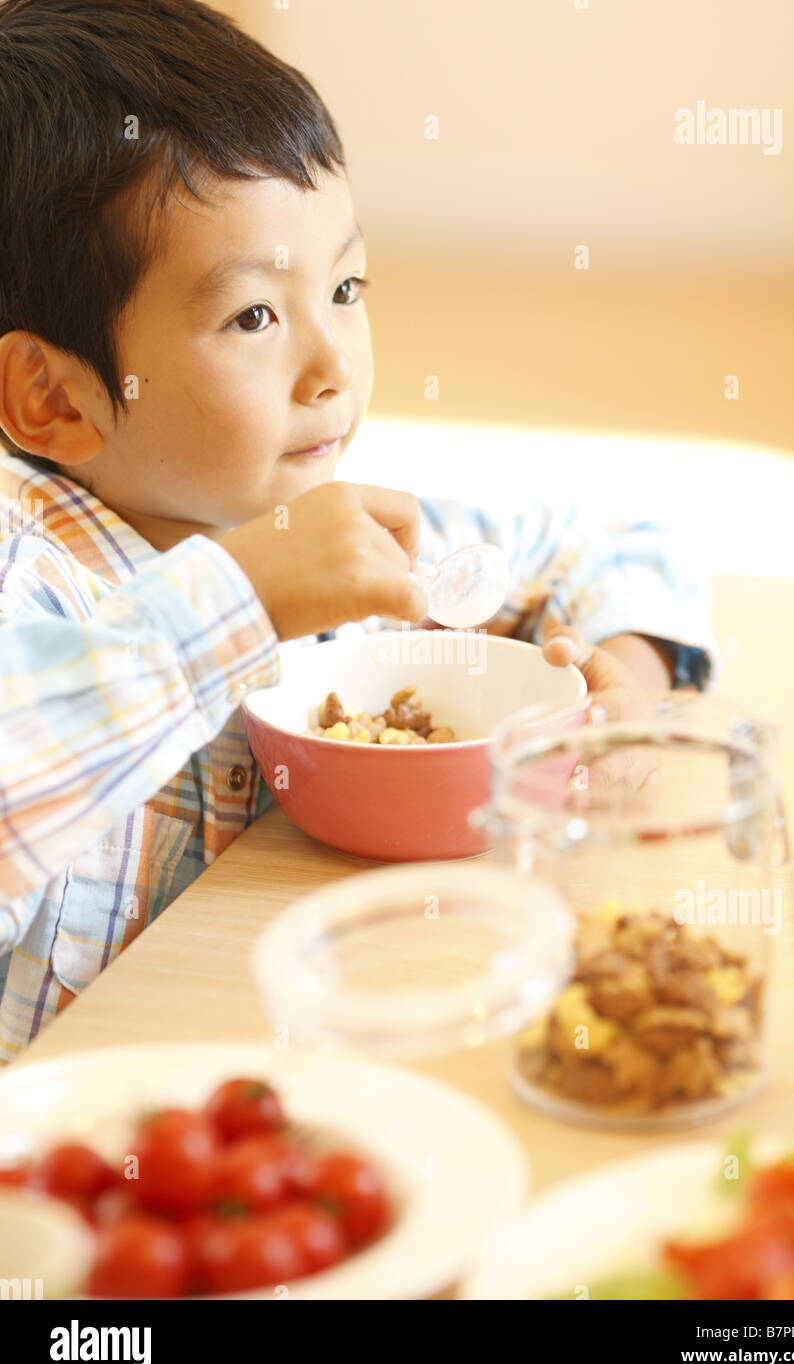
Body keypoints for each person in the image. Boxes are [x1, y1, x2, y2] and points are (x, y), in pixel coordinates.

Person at [0, 0, 718, 1061]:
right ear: (52, 399)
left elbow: (616, 536)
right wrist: (236, 601)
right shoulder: (32, 573)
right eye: (255, 316)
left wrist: (620, 679)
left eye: (343, 287)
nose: (334, 363)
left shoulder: (327, 526)